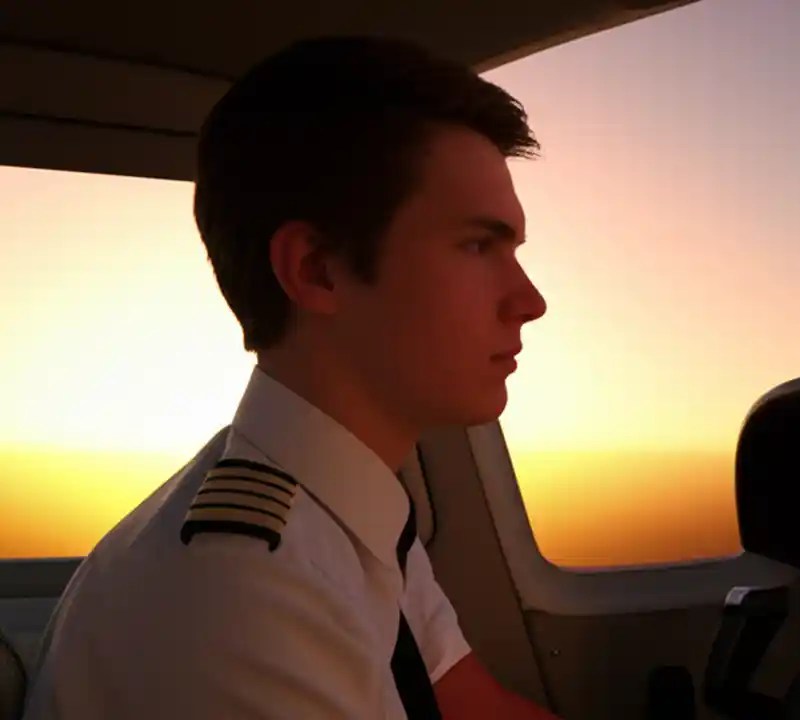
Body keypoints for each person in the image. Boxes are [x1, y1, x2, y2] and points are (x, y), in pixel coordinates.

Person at [24, 36, 556, 719]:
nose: (530, 301)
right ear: (316, 270)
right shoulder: (242, 601)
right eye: (478, 245)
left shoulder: (348, 509)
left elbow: (476, 707)